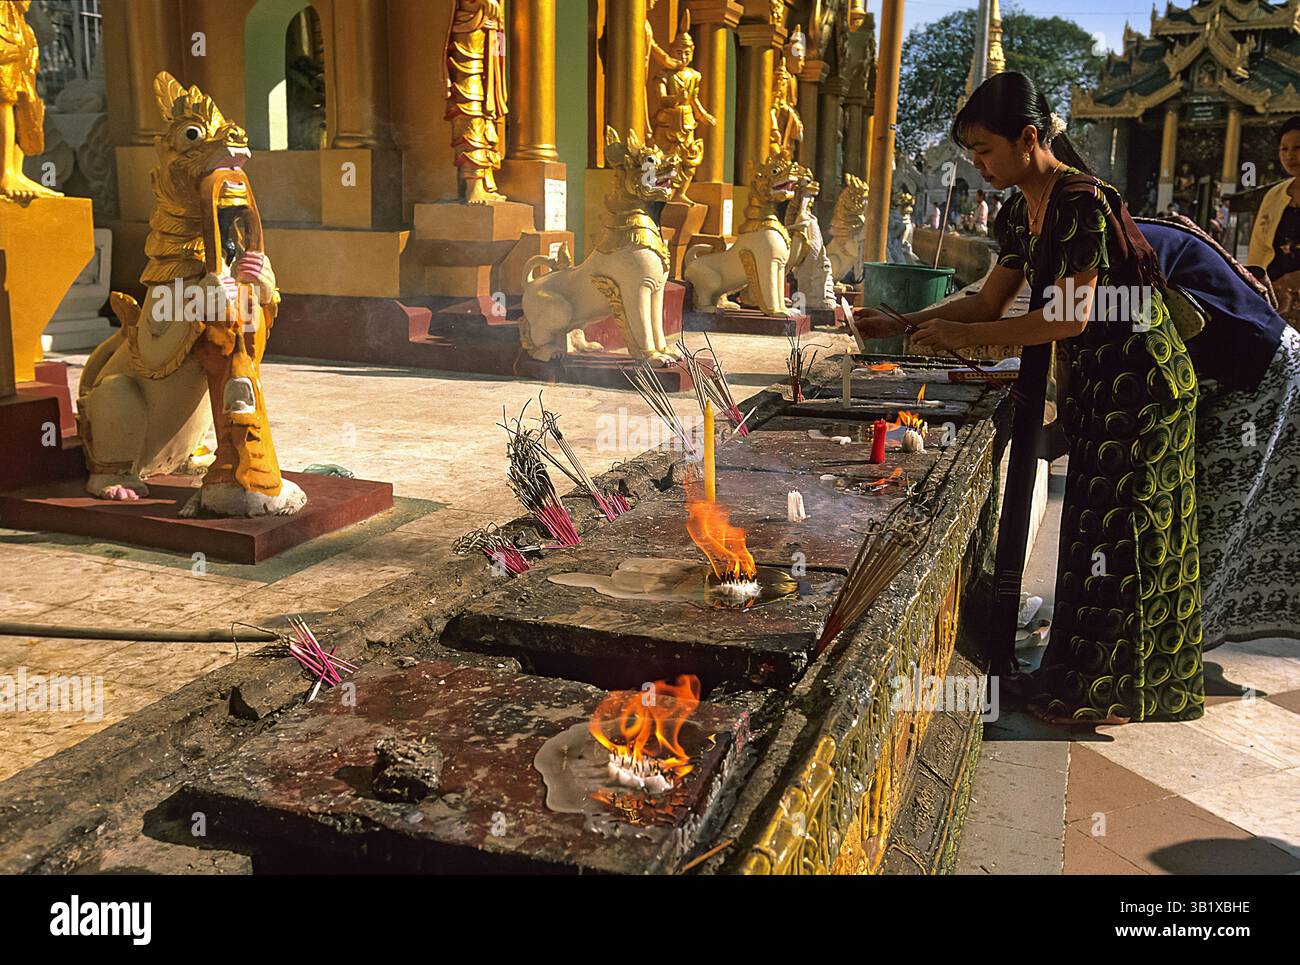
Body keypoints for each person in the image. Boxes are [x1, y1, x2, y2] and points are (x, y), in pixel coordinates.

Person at [855, 71, 1204, 725]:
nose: (980, 164)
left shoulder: (1080, 203)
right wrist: (905, 323)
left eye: (986, 150)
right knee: (1089, 533)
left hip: (1144, 384)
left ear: (1029, 137)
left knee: (1121, 537)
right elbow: (989, 302)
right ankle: (1071, 680)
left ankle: (1105, 698)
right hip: (1101, 387)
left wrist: (966, 333)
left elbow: (1070, 316)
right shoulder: (1022, 208)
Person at [1137, 217, 1300, 648]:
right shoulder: (1131, 239)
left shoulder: (1128, 252)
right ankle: (1179, 639)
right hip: (1246, 372)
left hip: (1260, 375)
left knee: (1218, 513)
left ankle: (1176, 646)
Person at [1246, 115, 1300, 331]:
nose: (1289, 155)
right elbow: (1258, 248)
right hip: (1277, 302)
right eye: (1283, 149)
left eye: (1298, 147)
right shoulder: (1274, 196)